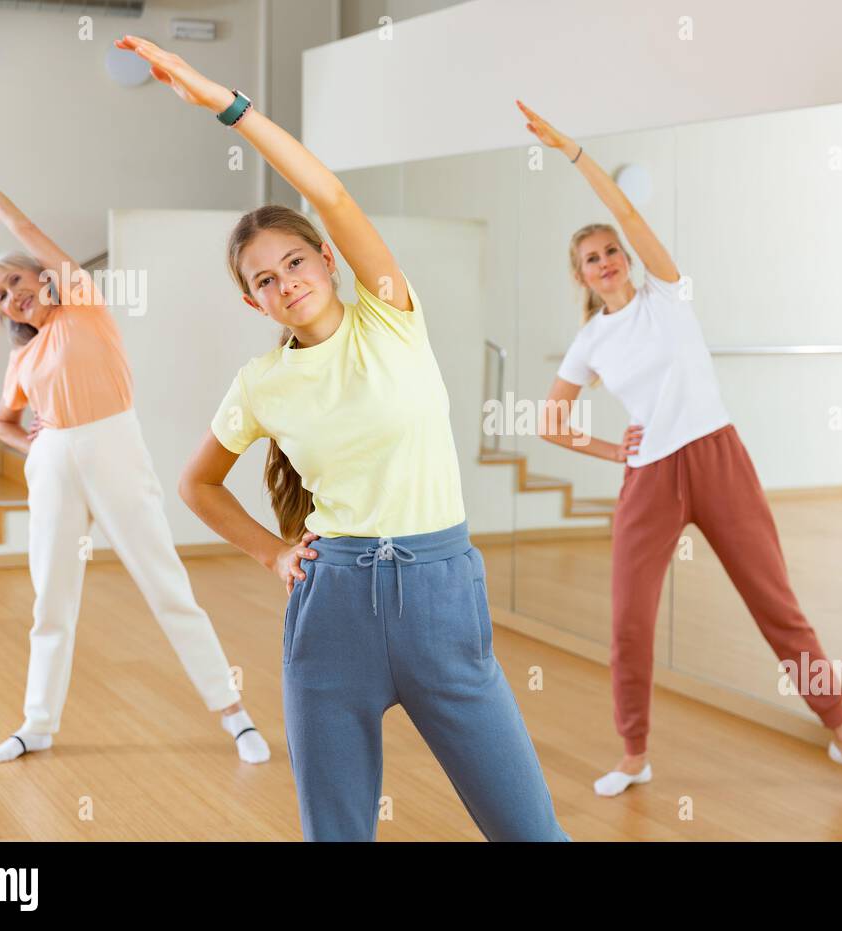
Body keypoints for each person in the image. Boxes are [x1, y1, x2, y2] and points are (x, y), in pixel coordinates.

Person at [116, 36, 570, 840]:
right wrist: (272, 552)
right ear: (256, 302)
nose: (286, 280)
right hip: (333, 611)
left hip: (439, 597)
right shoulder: (261, 383)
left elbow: (326, 190)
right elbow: (197, 484)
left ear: (328, 261)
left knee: (531, 831)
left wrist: (225, 104)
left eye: (295, 261)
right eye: (265, 279)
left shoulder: (390, 317)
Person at [521, 101, 842, 801]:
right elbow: (550, 422)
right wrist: (614, 451)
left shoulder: (668, 295)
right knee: (628, 622)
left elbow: (626, 212)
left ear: (626, 258)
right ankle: (634, 753)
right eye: (590, 260)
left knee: (776, 605)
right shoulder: (591, 340)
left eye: (609, 251)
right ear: (582, 276)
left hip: (718, 459)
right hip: (651, 476)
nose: (604, 262)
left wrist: (572, 152)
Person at [0, 136, 267, 767]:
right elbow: (2, 422)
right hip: (54, 458)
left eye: (14, 281)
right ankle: (38, 724)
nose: (12, 297)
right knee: (51, 598)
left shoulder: (82, 302)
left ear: (40, 274)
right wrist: (33, 444)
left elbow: (22, 224)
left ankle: (235, 715)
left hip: (114, 442)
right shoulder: (23, 354)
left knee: (163, 580)